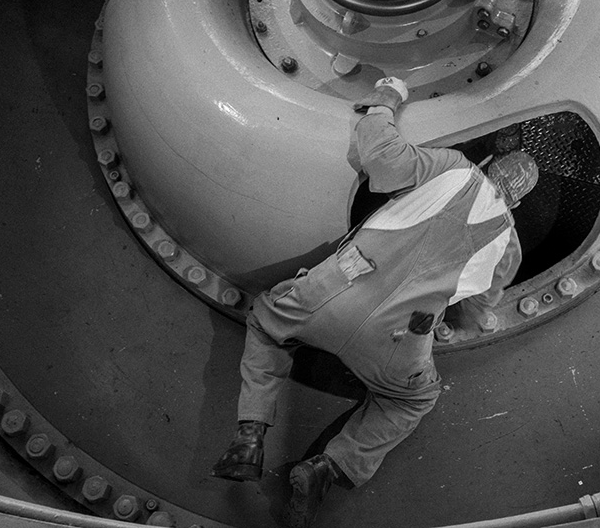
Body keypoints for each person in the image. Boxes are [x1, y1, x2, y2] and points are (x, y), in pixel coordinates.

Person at [210, 77, 539, 527]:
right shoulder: (510, 248)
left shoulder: (455, 168)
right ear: (517, 201)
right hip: (402, 337)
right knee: (410, 402)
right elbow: (476, 315)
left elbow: (382, 159)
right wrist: (450, 326)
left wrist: (384, 102)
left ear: (488, 162)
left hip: (333, 292)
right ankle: (326, 469)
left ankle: (249, 436)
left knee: (267, 323)